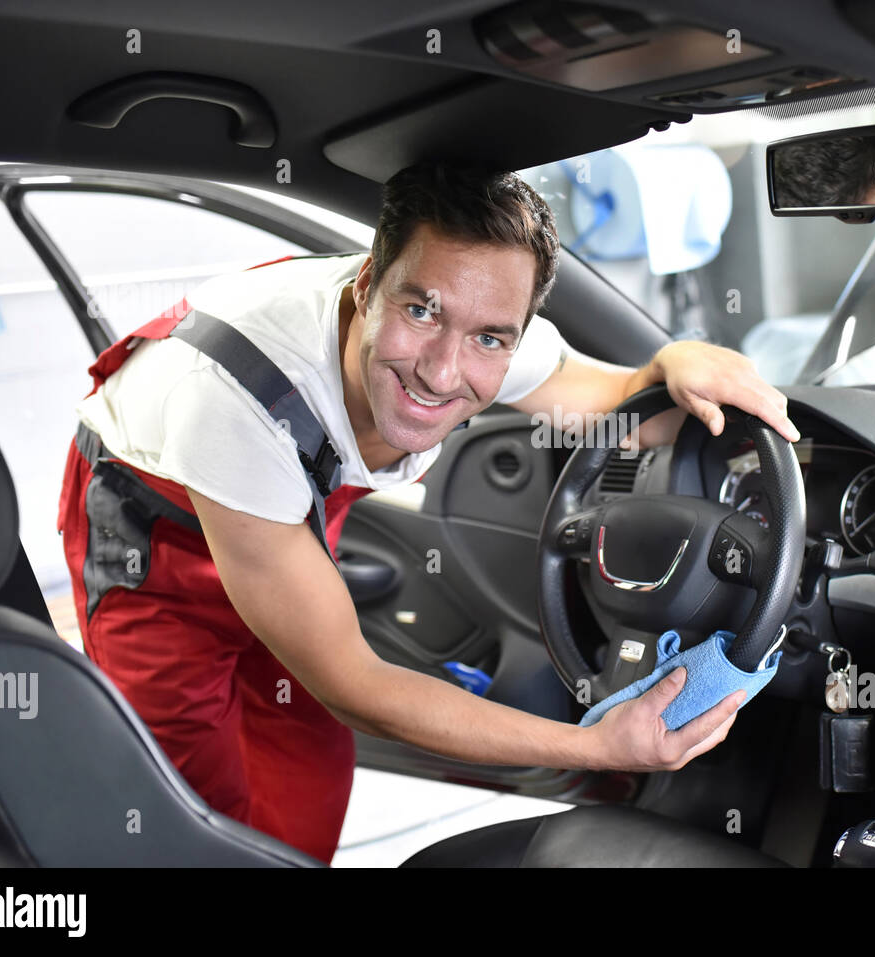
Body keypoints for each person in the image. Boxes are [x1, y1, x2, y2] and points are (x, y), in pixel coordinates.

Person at [56, 162, 801, 863]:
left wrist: (675, 362)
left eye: (488, 338)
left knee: (304, 774)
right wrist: (597, 746)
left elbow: (629, 409)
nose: (443, 372)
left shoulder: (488, 317)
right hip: (154, 530)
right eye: (420, 310)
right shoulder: (233, 409)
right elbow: (356, 684)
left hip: (283, 512)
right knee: (190, 810)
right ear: (366, 286)